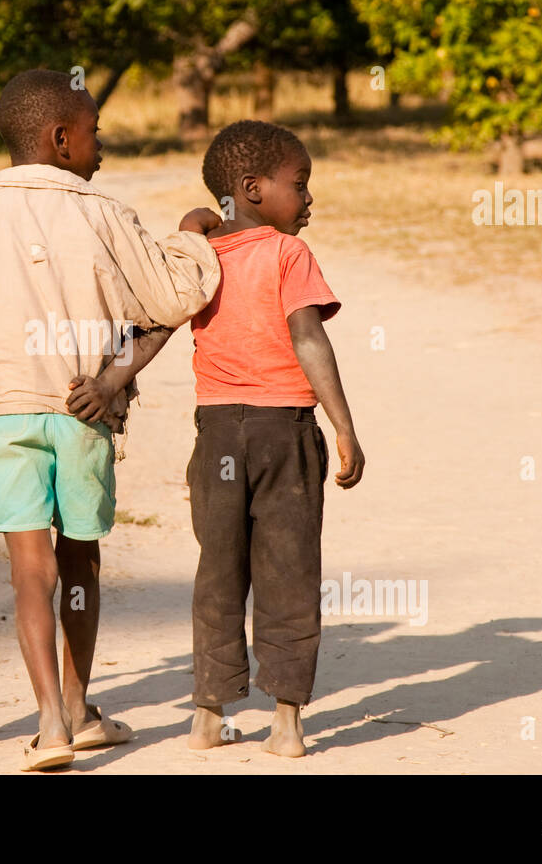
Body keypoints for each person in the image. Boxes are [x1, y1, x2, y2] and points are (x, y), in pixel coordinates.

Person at [0, 69, 220, 770]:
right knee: (81, 559)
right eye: (94, 133)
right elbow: (175, 297)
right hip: (80, 410)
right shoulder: (106, 213)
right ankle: (82, 704)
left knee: (29, 568)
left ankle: (53, 726)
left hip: (4, 414)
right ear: (61, 140)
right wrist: (188, 238)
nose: (102, 147)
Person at [184, 120, 366, 757]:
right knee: (289, 573)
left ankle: (209, 713)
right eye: (301, 183)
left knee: (218, 569)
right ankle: (285, 722)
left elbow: (155, 318)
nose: (310, 197)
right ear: (252, 188)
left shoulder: (198, 256)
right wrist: (343, 425)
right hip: (284, 430)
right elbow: (309, 337)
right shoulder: (288, 254)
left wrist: (190, 229)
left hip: (216, 435)